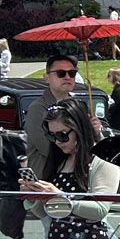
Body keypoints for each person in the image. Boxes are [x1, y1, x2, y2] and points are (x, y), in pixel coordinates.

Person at [22, 96, 120, 239]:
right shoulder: (59, 160)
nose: (57, 141)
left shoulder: (101, 160)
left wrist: (61, 197)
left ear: (79, 129)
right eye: (51, 135)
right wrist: (34, 197)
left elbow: (101, 209)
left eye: (62, 135)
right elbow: (46, 212)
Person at [24, 53, 89, 181]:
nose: (67, 77)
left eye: (72, 73)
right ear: (46, 78)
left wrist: (94, 131)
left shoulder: (78, 106)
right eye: (61, 73)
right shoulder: (37, 109)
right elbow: (50, 150)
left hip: (78, 180)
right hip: (46, 183)